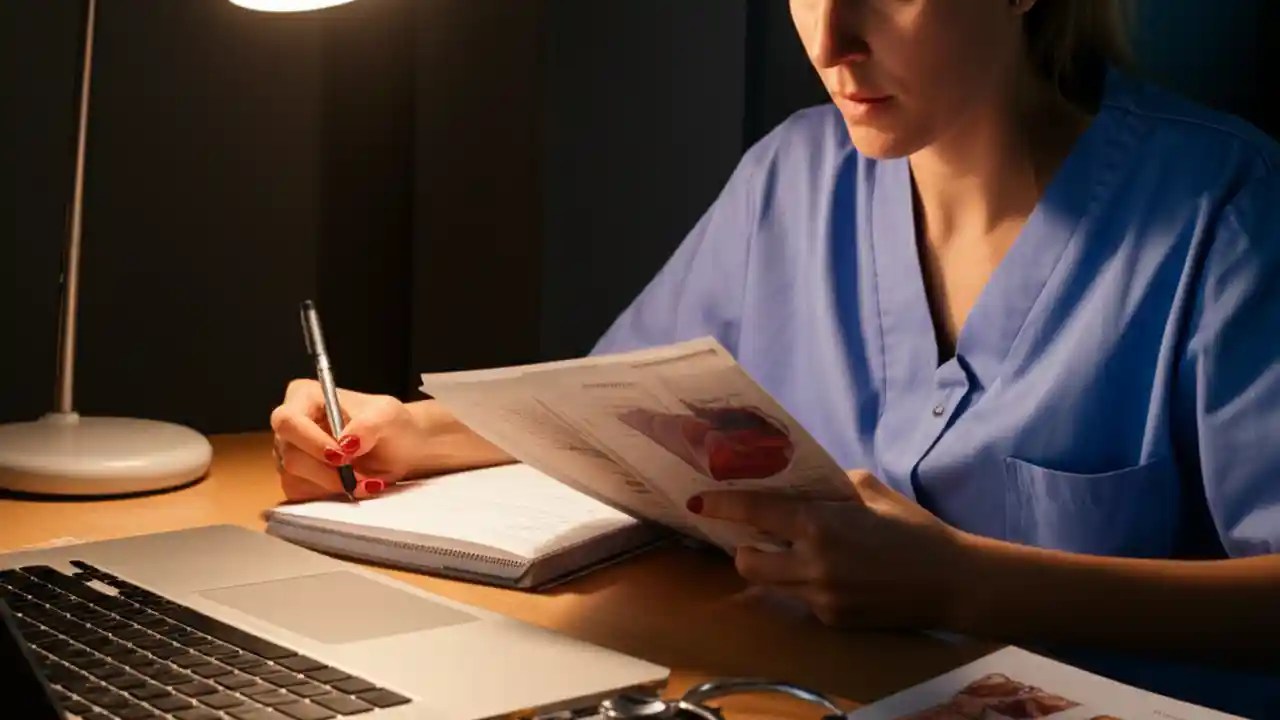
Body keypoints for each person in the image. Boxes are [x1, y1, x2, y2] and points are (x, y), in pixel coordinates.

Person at [270, 0, 1279, 709]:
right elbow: (619, 410)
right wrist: (408, 433)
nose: (831, 41)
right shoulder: (794, 174)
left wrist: (965, 584)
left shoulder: (1223, 210)